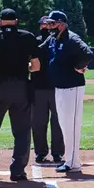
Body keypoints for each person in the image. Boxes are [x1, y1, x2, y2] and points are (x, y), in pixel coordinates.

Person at [0, 8, 40, 182]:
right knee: (22, 131)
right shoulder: (28, 37)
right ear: (16, 21)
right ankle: (18, 171)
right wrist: (23, 69)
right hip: (22, 87)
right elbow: (36, 66)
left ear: (0, 21)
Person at [42, 10, 93, 174]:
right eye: (48, 23)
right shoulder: (52, 39)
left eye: (52, 23)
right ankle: (71, 160)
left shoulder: (72, 38)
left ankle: (73, 162)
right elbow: (38, 51)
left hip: (73, 87)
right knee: (65, 124)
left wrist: (79, 67)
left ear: (62, 24)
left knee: (71, 125)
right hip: (60, 87)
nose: (49, 26)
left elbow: (87, 53)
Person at [30, 15, 65, 164]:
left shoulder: (56, 41)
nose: (46, 26)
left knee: (53, 122)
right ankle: (45, 153)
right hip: (42, 86)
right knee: (42, 122)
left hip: (52, 86)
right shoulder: (38, 42)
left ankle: (52, 153)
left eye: (48, 23)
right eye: (44, 23)